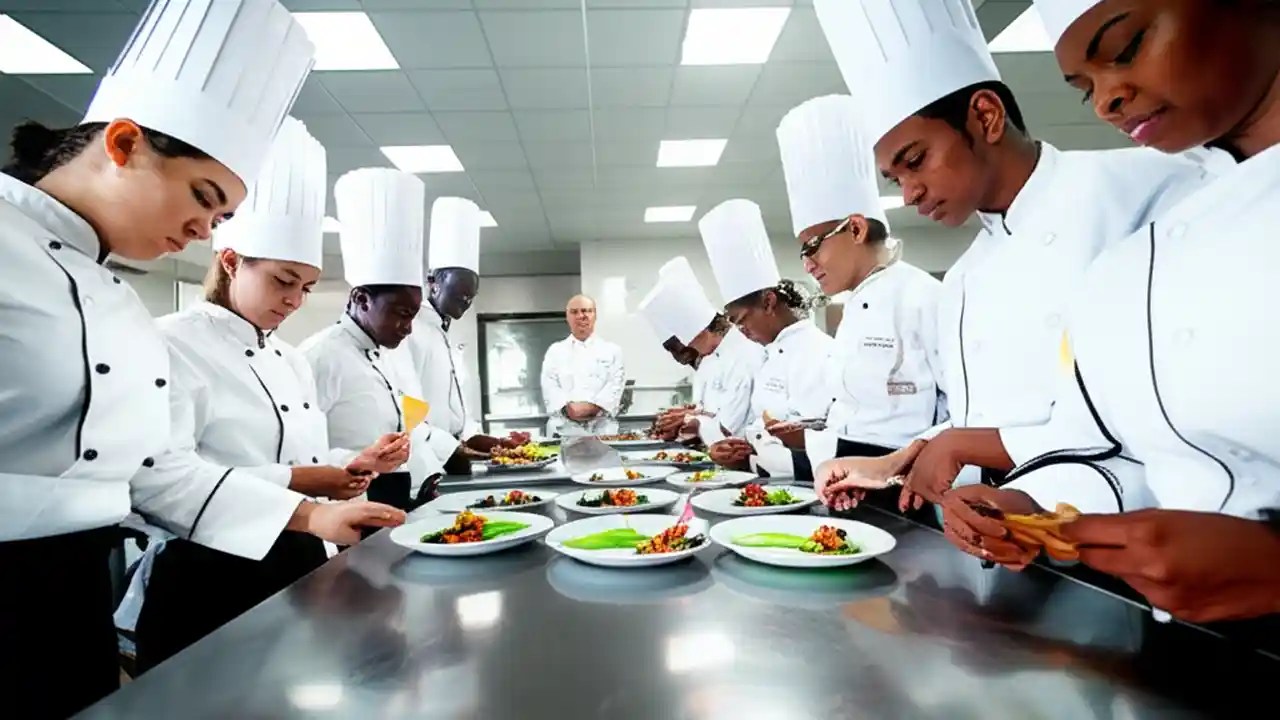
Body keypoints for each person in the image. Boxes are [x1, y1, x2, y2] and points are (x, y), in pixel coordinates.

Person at [0, 2, 402, 716]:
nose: (197, 230)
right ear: (122, 142)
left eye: (216, 217)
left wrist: (313, 520)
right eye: (203, 199)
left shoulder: (116, 298)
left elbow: (150, 467)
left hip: (72, 592)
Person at [901, 0, 1280, 622]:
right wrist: (1035, 506)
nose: (1107, 100)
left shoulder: (1144, 195)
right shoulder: (1137, 263)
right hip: (1177, 626)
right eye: (1085, 89)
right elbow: (1106, 444)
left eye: (1125, 47)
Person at [810, 0, 1203, 512]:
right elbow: (981, 415)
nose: (908, 194)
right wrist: (898, 461)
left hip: (1136, 537)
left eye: (915, 162)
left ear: (986, 117)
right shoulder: (966, 275)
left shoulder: (1142, 194)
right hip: (1006, 535)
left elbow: (1165, 413)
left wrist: (976, 454)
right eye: (896, 178)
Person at [129, 118, 411, 672]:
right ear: (230, 261)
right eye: (283, 281)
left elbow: (295, 460)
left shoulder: (289, 359)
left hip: (298, 562)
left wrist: (350, 463)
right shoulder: (168, 343)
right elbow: (159, 477)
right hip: (207, 574)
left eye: (305, 288)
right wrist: (305, 502)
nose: (295, 302)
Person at [755, 93, 943, 487]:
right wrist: (811, 428)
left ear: (855, 229)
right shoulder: (852, 308)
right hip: (847, 477)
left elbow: (967, 415)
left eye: (812, 247)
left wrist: (895, 465)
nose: (806, 265)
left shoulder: (924, 297)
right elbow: (855, 411)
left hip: (910, 487)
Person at [301, 169, 457, 514]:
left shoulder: (386, 353)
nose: (408, 327)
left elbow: (411, 427)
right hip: (349, 500)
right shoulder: (320, 356)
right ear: (361, 298)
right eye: (401, 313)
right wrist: (355, 461)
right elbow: (297, 453)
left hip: (399, 490)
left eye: (414, 315)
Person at [699, 199, 835, 470]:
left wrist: (751, 456)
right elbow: (764, 427)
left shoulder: (819, 351)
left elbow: (817, 443)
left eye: (742, 321)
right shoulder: (769, 353)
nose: (743, 332)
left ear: (769, 302)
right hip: (769, 478)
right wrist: (737, 449)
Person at [405, 196, 507, 470]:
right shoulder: (409, 332)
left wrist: (479, 436)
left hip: (454, 456)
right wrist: (450, 446)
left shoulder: (445, 334)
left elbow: (457, 409)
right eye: (460, 292)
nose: (466, 301)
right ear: (433, 283)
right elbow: (406, 410)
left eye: (472, 296)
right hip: (424, 460)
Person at [639, 257, 765, 444]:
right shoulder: (708, 360)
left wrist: (689, 420)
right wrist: (686, 420)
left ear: (703, 332)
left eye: (689, 342)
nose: (690, 350)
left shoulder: (746, 357)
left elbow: (729, 427)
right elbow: (705, 410)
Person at [540, 294, 626, 437]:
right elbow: (550, 387)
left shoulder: (613, 351)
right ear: (567, 317)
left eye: (587, 311)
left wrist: (593, 408)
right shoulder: (555, 351)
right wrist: (570, 410)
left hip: (602, 429)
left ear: (595, 315)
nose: (581, 316)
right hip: (563, 429)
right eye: (574, 312)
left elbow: (615, 386)